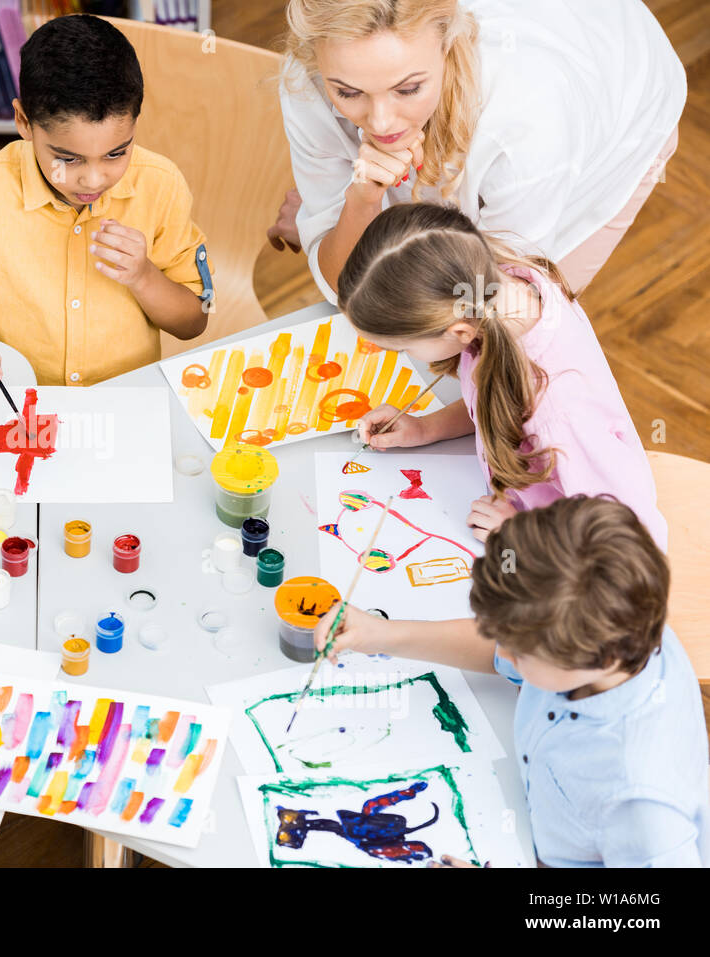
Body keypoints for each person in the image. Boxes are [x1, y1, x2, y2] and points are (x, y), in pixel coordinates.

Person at [314, 496, 708, 867]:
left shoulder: (642, 804)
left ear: (586, 658)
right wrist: (382, 634)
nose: (502, 653)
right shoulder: (612, 626)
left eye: (519, 651)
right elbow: (499, 647)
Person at [0, 13, 212, 391]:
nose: (93, 179)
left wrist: (144, 277)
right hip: (12, 397)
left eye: (116, 154)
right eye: (68, 158)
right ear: (23, 121)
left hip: (123, 399)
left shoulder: (161, 185)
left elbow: (193, 322)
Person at [269, 0, 684, 299]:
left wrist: (343, 238)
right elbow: (346, 288)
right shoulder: (307, 80)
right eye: (349, 92)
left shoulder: (526, 118)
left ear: (448, 45)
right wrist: (358, 202)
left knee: (525, 322)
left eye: (409, 88)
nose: (380, 123)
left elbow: (491, 304)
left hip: (623, 98)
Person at [339, 202, 666, 549]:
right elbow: (495, 402)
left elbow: (633, 542)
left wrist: (523, 534)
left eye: (404, 348)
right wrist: (425, 428)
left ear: (460, 333)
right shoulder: (495, 293)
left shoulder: (560, 415)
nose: (406, 356)